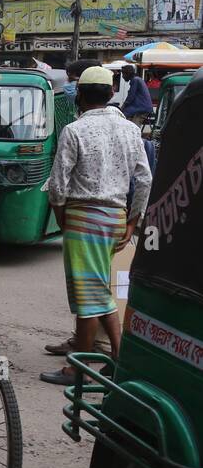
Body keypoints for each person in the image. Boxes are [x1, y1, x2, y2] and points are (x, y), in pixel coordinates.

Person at [40, 66, 151, 384]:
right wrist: (132, 222)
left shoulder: (75, 130)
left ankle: (79, 369)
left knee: (91, 295)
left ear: (82, 96)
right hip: (115, 218)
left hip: (83, 219)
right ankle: (117, 359)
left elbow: (59, 186)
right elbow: (144, 180)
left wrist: (62, 218)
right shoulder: (130, 130)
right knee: (97, 289)